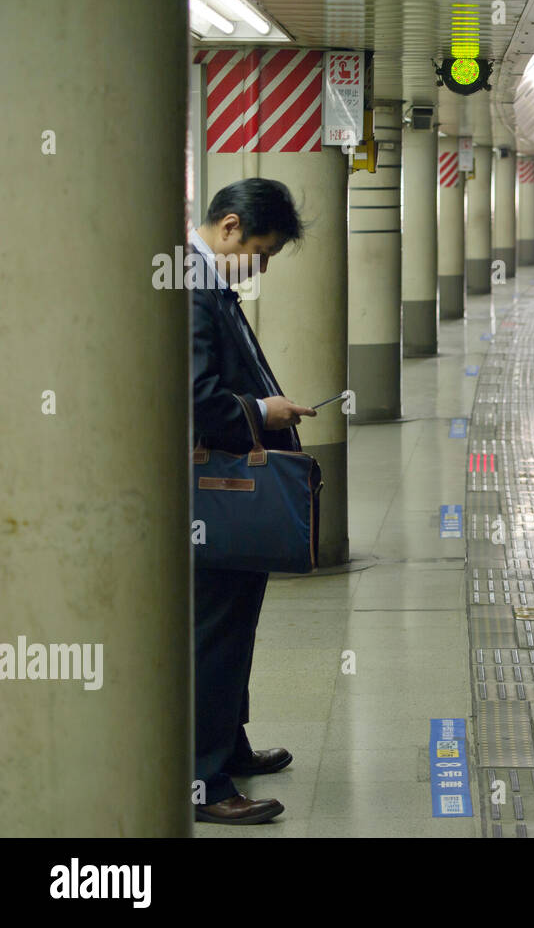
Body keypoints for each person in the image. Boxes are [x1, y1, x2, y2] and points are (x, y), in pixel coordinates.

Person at [190, 178, 317, 824]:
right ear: (231, 226)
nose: (262, 267)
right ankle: (205, 781)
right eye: (261, 252)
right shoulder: (189, 284)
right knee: (215, 632)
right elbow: (195, 396)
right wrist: (264, 410)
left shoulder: (209, 280)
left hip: (227, 490)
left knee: (235, 625)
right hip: (209, 494)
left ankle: (228, 745)